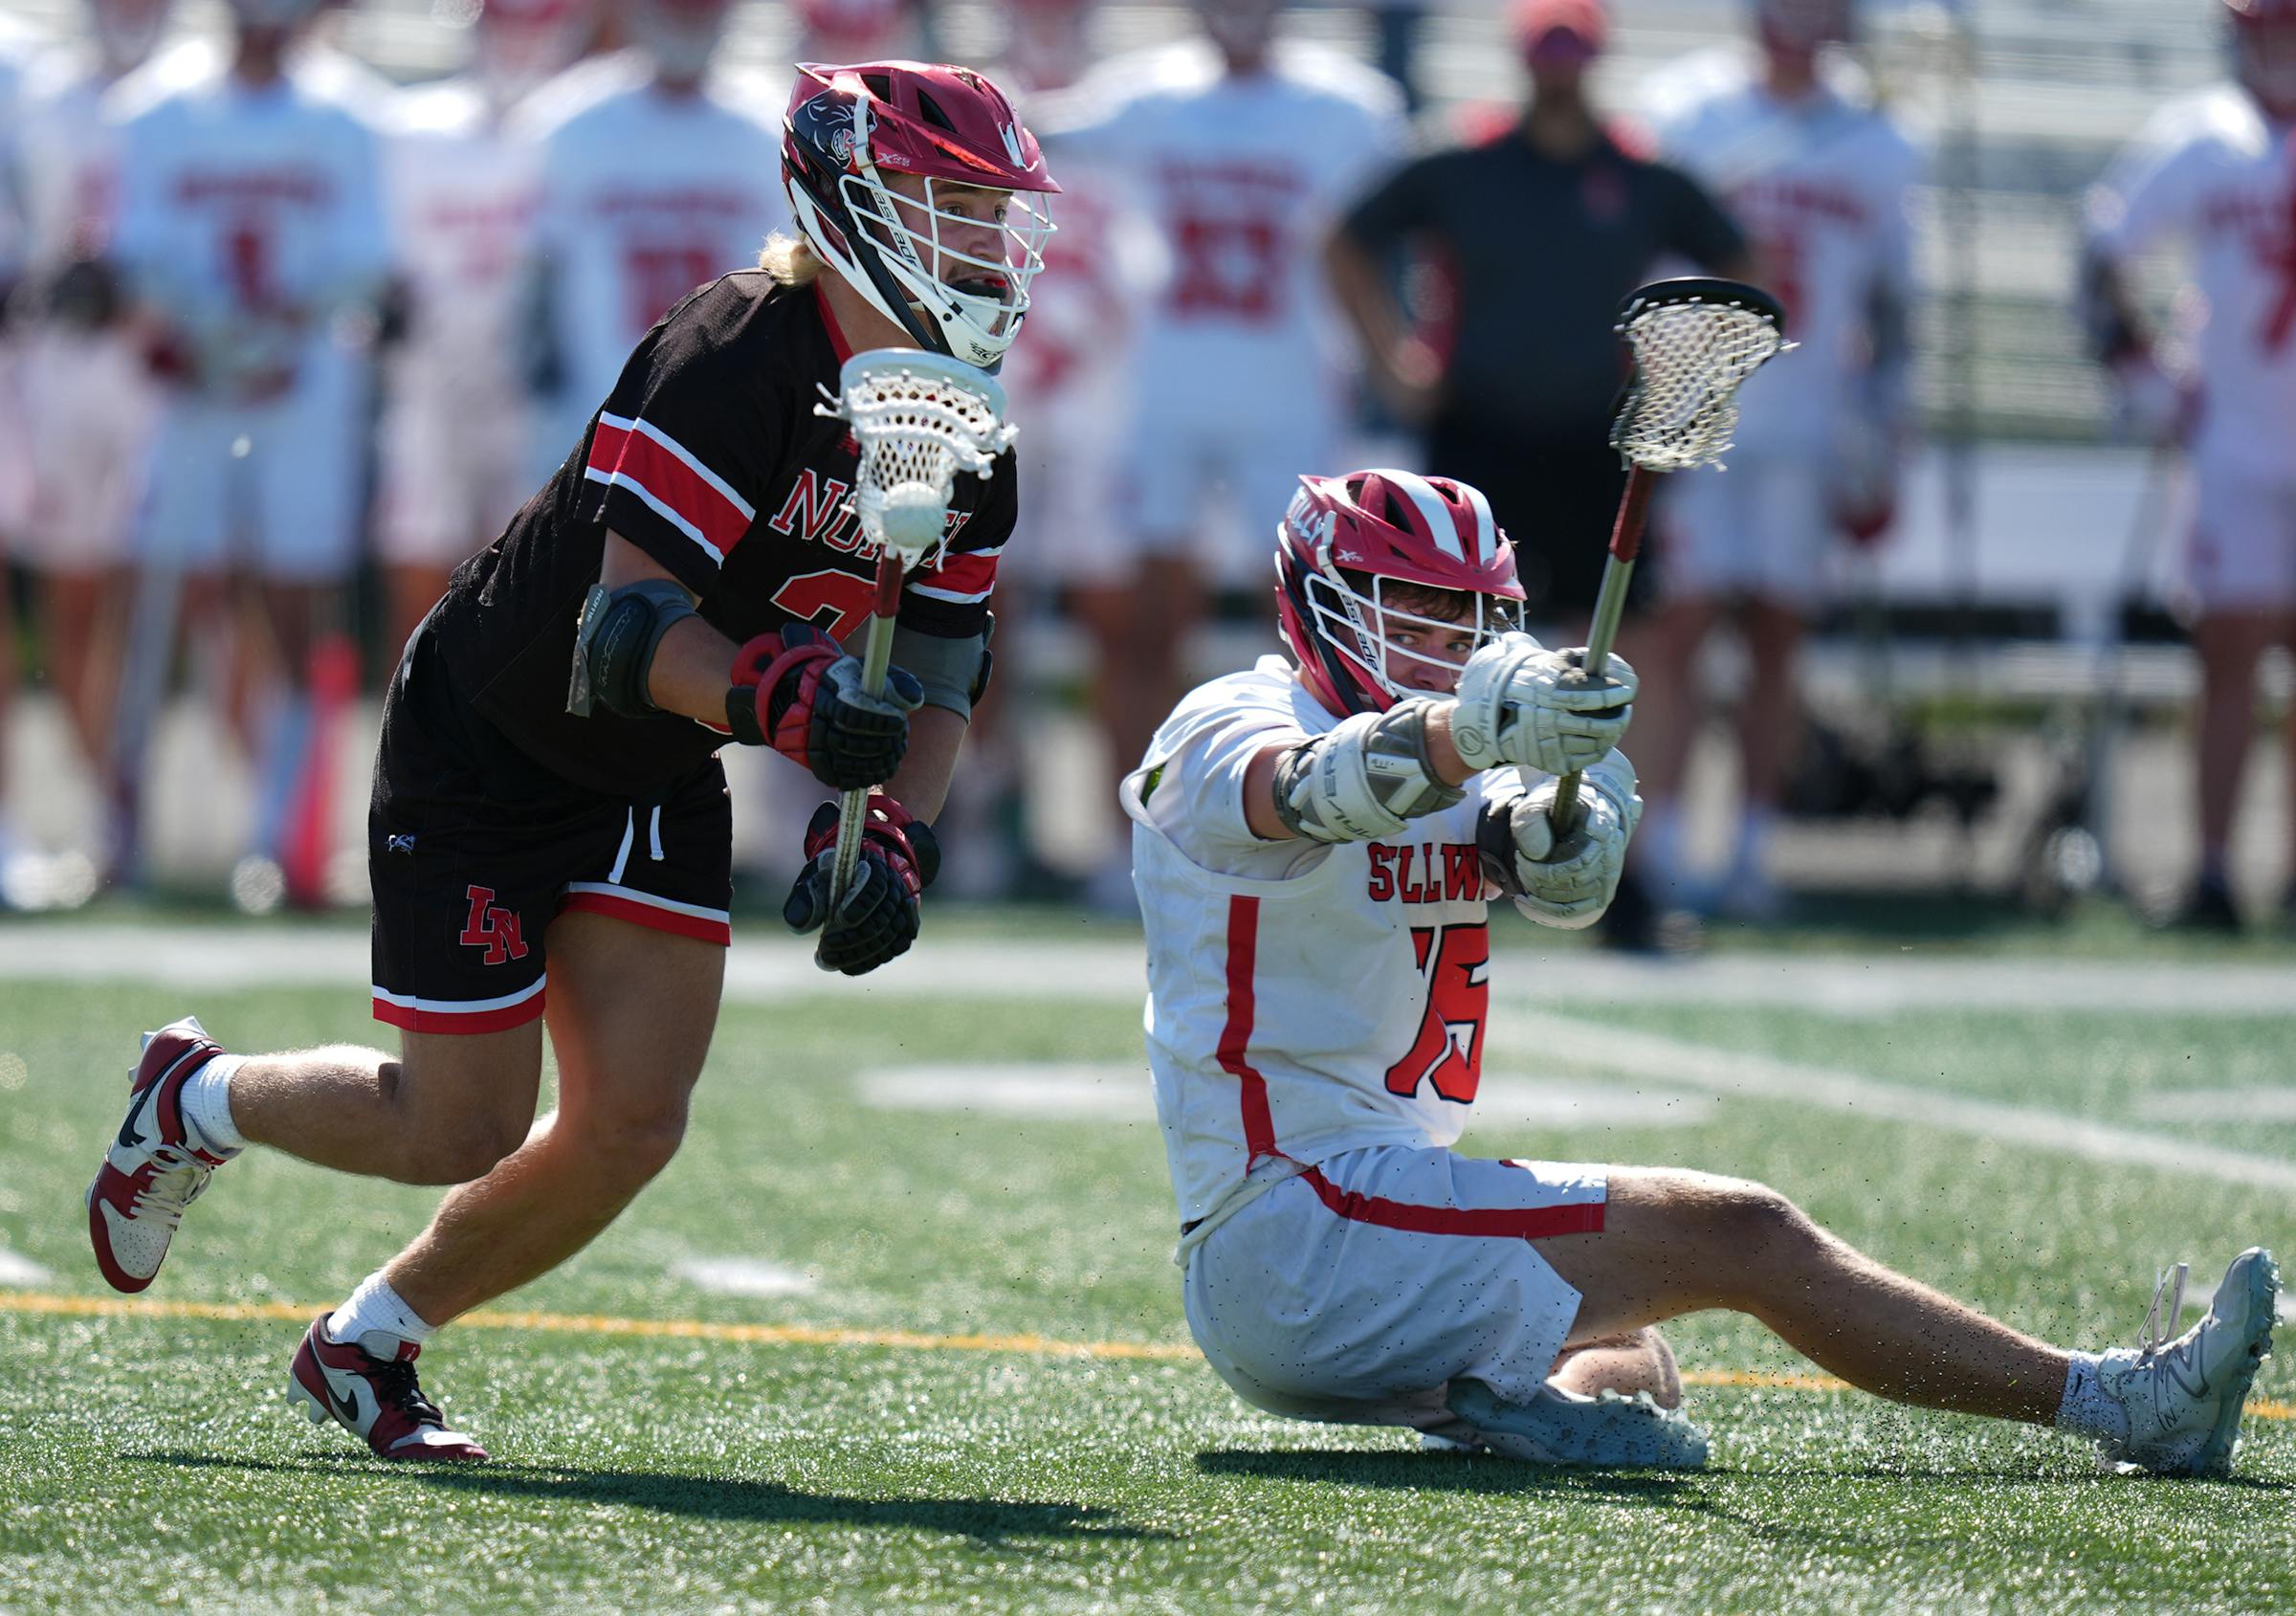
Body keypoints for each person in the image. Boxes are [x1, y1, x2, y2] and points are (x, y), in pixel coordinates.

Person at [84, 59, 1058, 1462]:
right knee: (455, 1122)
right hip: (504, 731)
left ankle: (372, 1342)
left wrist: (890, 829)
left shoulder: (964, 411)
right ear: (859, 199)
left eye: (995, 211)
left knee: (633, 1121)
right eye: (956, 203)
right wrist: (787, 702)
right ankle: (194, 1097)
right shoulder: (735, 351)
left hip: (661, 756)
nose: (987, 242)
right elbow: (626, 630)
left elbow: (945, 667)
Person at [1123, 465, 2282, 1475]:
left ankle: (1508, 1421)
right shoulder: (1232, 716)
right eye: (1414, 610)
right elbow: (1314, 791)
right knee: (1743, 1233)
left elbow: (1545, 862)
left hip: (1363, 1216)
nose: (1445, 646)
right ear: (1319, 602)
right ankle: (2122, 1401)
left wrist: (1563, 835)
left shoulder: (1460, 740)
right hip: (1301, 1226)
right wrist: (1479, 740)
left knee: (1629, 1354)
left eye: (1467, 618)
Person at [1324, 0, 1752, 948]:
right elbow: (1345, 240)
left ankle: (1619, 863)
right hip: (1477, 436)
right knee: (1444, 645)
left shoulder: (1641, 174)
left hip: (1598, 445)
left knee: (1609, 656)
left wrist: (1684, 392)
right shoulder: (1464, 162)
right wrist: (1394, 361)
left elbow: (1739, 278)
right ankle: (1430, 848)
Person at [1036, 0, 1406, 912]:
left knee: (1312, 633)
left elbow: (1411, 219)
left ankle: (1311, 831)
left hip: (1289, 395)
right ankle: (1132, 831)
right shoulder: (1145, 95)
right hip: (1161, 394)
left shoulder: (1349, 106)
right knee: (1139, 624)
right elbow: (1020, 132)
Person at [1628, 0, 1920, 921]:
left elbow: (1896, 305)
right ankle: (1662, 841)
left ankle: (1754, 846)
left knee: (1777, 638)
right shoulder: (1684, 109)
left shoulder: (1876, 139)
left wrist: (1883, 432)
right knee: (1677, 628)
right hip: (1694, 406)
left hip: (1807, 418)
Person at [102, 0, 393, 900]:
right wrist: (201, 329)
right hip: (189, 389)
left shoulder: (349, 112)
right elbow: (135, 248)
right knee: (158, 589)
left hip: (302, 385)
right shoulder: (158, 108)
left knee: (297, 597)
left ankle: (284, 840)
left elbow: (365, 256)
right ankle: (125, 836)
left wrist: (272, 327)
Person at [2084, 0, 2296, 931]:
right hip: (2236, 444)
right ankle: (2212, 869)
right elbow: (2103, 248)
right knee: (2230, 659)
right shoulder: (2203, 139)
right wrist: (2143, 373)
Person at [371, 0, 591, 654]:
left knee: (530, 586)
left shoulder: (584, 129)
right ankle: (406, 740)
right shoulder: (412, 129)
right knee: (419, 570)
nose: (521, 40)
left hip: (536, 385)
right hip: (431, 376)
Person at [8, 0, 173, 824]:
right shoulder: (40, 95)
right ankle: (110, 808)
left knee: (181, 598)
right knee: (73, 596)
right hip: (64, 368)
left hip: (171, 376)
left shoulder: (191, 98)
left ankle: (196, 816)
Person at [516, 0, 789, 487]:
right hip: (591, 410)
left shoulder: (770, 129)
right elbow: (532, 275)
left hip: (727, 418)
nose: (686, 19)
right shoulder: (566, 123)